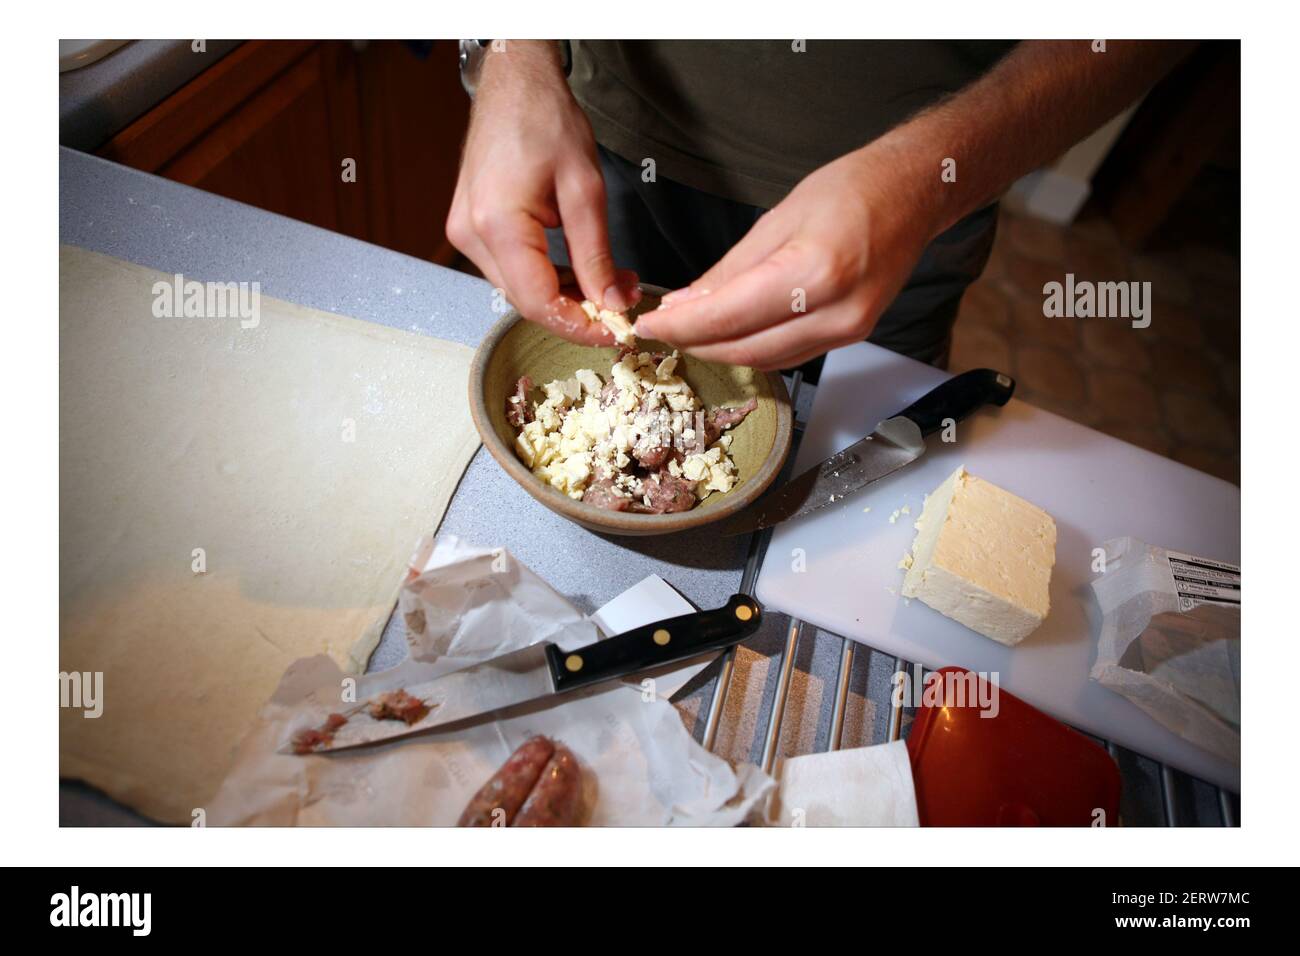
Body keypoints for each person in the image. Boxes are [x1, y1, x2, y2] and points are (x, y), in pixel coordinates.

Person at [447, 40, 1188, 371]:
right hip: (593, 165)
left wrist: (925, 182)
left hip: (899, 223)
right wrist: (513, 53)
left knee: (843, 512)